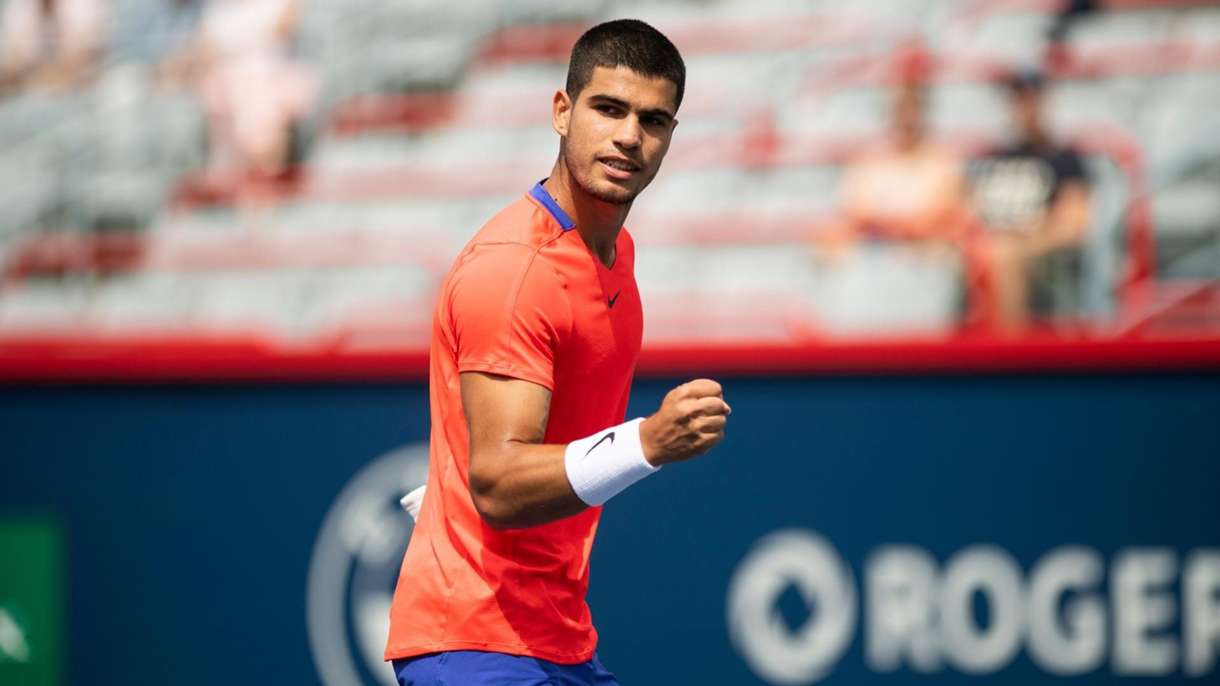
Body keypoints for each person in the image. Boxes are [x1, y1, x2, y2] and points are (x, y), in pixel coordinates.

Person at [384, 20, 731, 686]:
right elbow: (498, 483)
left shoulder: (615, 256)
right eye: (609, 109)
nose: (629, 135)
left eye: (653, 120)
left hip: (553, 635)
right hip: (475, 642)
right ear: (562, 112)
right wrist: (647, 443)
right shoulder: (515, 269)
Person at [968, 68, 1092, 333]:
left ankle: (1007, 351)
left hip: (1041, 254)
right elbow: (968, 213)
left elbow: (1074, 224)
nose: (1024, 107)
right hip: (986, 247)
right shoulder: (992, 157)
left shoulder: (1065, 159)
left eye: (1030, 98)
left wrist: (1024, 244)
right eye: (1018, 99)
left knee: (1005, 256)